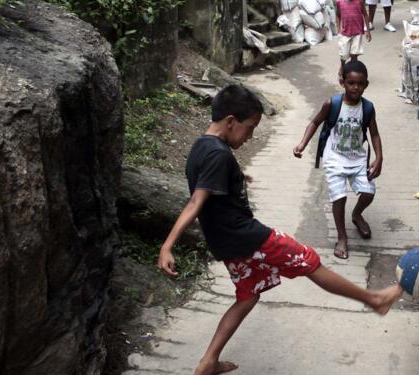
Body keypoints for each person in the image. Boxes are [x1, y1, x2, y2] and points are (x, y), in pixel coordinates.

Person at [158, 84, 402, 375]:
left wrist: (237, 177)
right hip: (247, 237)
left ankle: (208, 361)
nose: (250, 137)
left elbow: (210, 184)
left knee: (248, 294)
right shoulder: (218, 155)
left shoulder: (202, 146)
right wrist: (167, 245)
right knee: (309, 261)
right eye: (249, 128)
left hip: (225, 241)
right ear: (231, 122)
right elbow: (197, 200)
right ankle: (374, 299)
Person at [293, 61, 382, 260]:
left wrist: (379, 157)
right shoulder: (332, 104)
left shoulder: (367, 108)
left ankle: (357, 214)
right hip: (334, 158)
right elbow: (315, 122)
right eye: (351, 83)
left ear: (366, 84)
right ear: (343, 82)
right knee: (339, 197)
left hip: (357, 158)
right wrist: (302, 144)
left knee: (368, 192)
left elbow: (374, 134)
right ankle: (342, 237)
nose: (355, 88)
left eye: (360, 84)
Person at [335, 0, 371, 68]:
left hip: (357, 32)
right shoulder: (339, 2)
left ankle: (352, 71)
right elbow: (338, 15)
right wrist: (338, 29)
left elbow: (365, 14)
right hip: (344, 32)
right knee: (343, 55)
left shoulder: (359, 1)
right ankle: (342, 68)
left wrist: (367, 30)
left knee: (354, 55)